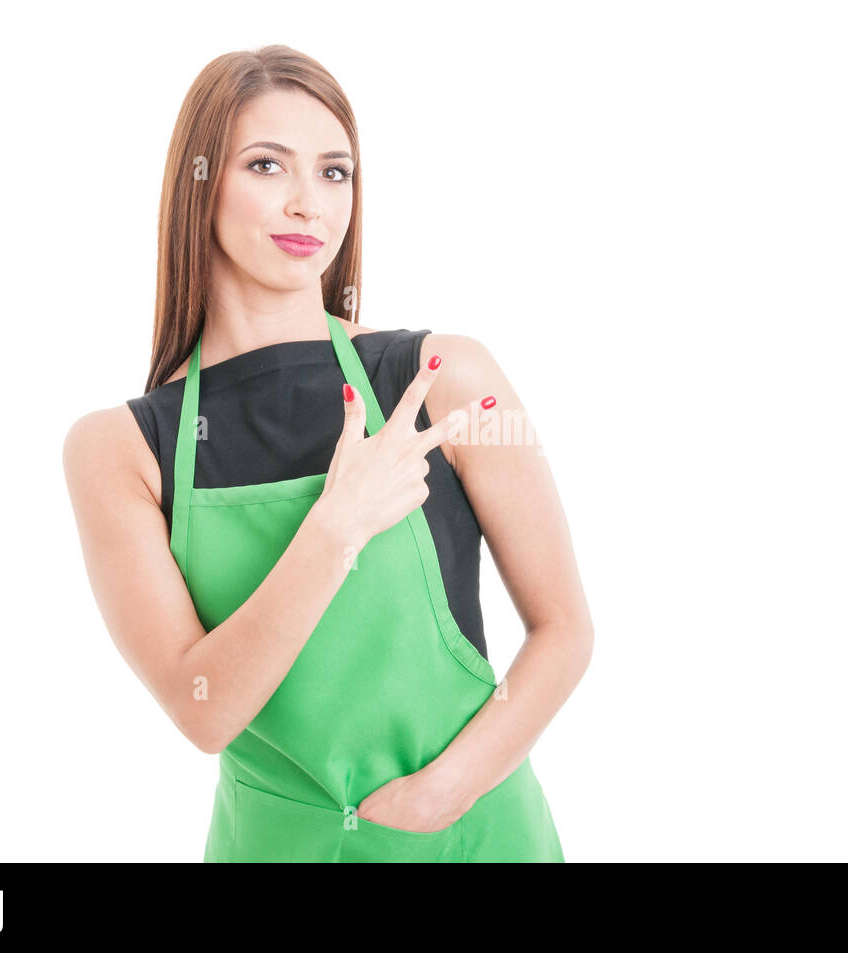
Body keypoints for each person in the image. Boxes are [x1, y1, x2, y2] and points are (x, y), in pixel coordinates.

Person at [62, 44, 593, 862]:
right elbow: (203, 709)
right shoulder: (120, 449)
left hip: (475, 837)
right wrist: (336, 527)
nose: (309, 203)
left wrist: (445, 792)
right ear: (200, 183)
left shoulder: (443, 377)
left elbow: (564, 628)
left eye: (335, 172)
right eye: (268, 165)